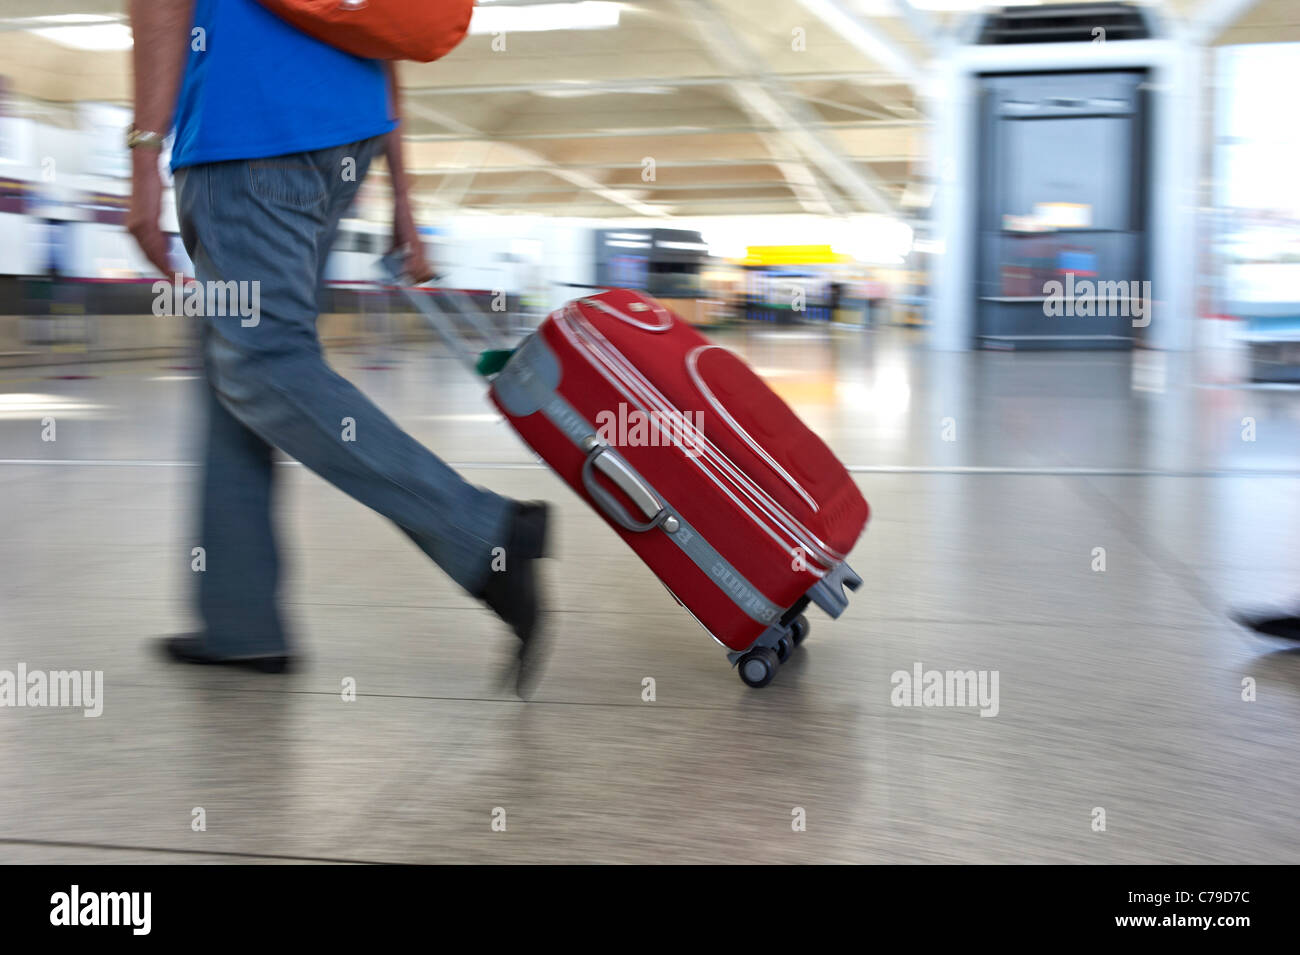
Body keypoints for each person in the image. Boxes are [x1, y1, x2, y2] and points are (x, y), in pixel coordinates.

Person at [125, 0, 550, 693]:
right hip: (344, 140)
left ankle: (486, 533)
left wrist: (144, 152)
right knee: (231, 367)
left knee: (261, 364)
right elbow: (382, 23)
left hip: (249, 130)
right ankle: (238, 620)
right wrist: (404, 201)